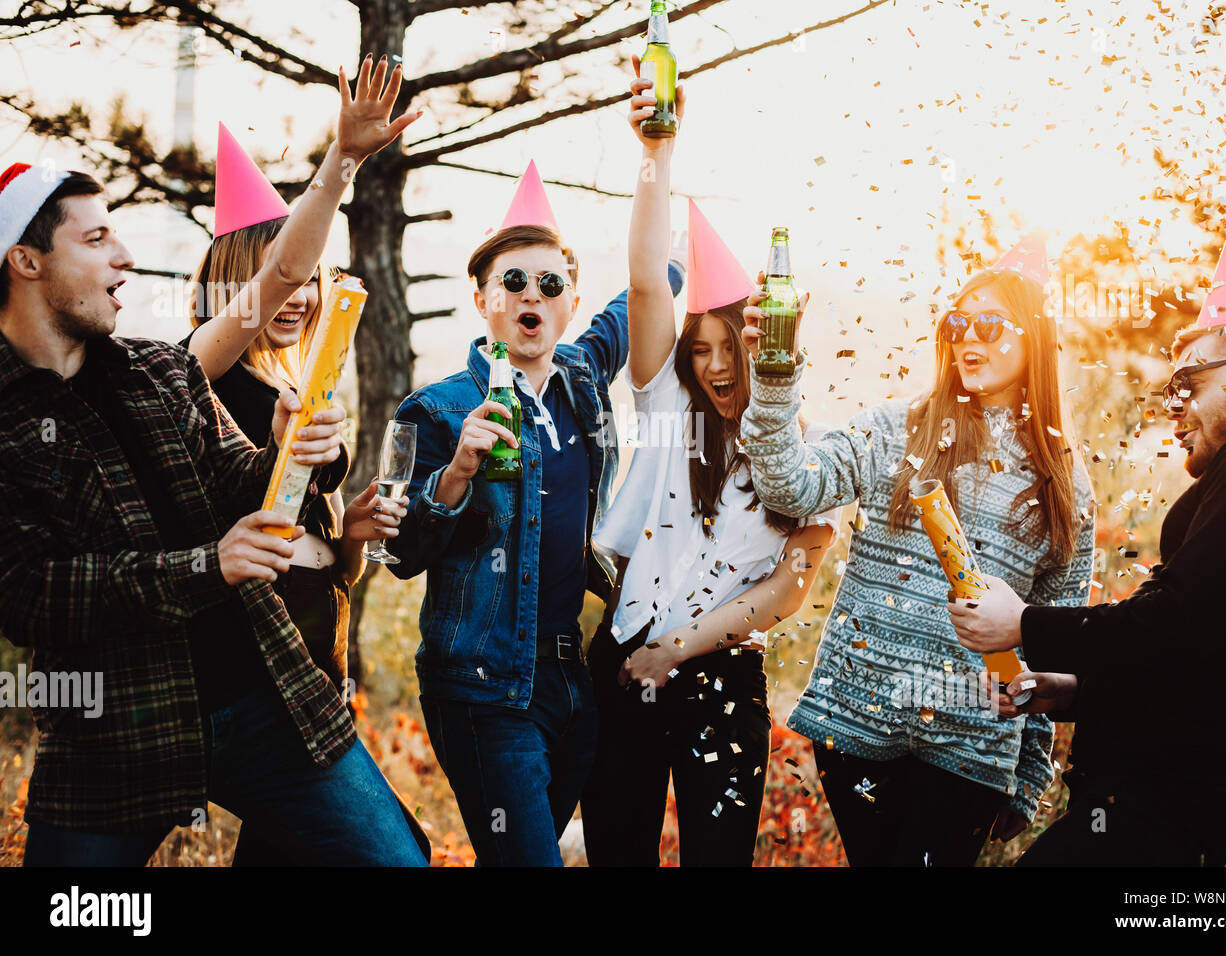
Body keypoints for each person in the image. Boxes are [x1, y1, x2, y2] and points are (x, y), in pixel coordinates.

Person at [0, 162, 427, 866]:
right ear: (27, 260)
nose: (125, 257)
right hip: (112, 737)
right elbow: (29, 596)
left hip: (269, 698)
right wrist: (206, 567)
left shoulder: (163, 373)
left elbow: (242, 483)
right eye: (98, 238)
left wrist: (291, 451)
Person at [739, 238, 1097, 866]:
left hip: (975, 744)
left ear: (1035, 338)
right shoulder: (892, 430)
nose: (969, 338)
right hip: (861, 725)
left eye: (990, 324)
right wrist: (773, 379)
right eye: (957, 323)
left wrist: (1031, 771)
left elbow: (1057, 636)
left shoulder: (1062, 485)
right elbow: (788, 486)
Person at [951, 261, 1226, 866]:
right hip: (1175, 790)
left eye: (1189, 383)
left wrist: (1026, 625)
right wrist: (1071, 691)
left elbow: (1176, 620)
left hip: (1162, 795)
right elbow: (1200, 660)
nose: (1175, 405)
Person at [387, 164, 685, 866]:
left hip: (568, 681)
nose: (532, 296)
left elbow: (639, 295)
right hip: (485, 685)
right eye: (513, 281)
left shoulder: (581, 375)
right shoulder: (438, 409)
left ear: (568, 301)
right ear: (483, 297)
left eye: (550, 285)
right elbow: (401, 551)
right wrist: (457, 471)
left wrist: (678, 253)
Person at [580, 70, 837, 867]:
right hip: (624, 660)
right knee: (617, 852)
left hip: (722, 681)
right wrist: (657, 152)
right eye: (702, 351)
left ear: (767, 344)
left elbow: (789, 588)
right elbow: (643, 280)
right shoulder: (666, 411)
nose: (720, 365)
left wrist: (679, 650)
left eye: (735, 346)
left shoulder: (808, 453)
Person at [179, 55, 430, 865]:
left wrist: (350, 532)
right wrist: (345, 161)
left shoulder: (303, 392)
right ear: (231, 288)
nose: (293, 293)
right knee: (399, 857)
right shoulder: (197, 383)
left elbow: (322, 566)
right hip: (250, 693)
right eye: (268, 278)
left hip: (311, 685)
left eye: (306, 279)